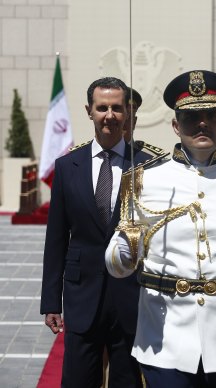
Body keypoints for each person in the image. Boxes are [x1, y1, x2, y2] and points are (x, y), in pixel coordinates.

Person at [104, 70, 216, 388]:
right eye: (191, 117)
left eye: (211, 116)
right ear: (176, 125)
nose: (202, 124)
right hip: (165, 341)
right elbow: (119, 262)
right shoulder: (144, 179)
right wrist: (121, 252)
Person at [40, 77, 154, 387]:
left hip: (131, 296)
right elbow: (57, 238)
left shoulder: (148, 167)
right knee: (78, 380)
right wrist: (51, 300)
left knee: (127, 381)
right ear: (89, 111)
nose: (110, 115)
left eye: (117, 108)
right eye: (102, 107)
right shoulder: (67, 167)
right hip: (82, 295)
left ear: (127, 114)